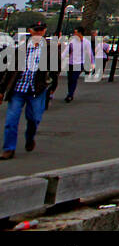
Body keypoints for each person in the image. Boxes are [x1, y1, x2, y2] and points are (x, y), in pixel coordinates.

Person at [1, 21, 59, 159]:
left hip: (37, 91)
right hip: (18, 90)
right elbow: (9, 71)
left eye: (41, 30)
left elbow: (54, 72)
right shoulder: (21, 48)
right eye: (36, 30)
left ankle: (30, 137)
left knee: (34, 119)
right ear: (30, 31)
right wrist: (2, 89)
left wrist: (52, 88)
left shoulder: (50, 50)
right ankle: (9, 149)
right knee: (10, 121)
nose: (39, 32)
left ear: (44, 31)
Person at [63, 26, 94, 102]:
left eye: (75, 32)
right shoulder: (72, 41)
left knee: (74, 78)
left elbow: (90, 53)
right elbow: (66, 51)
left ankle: (70, 94)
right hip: (70, 63)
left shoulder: (86, 42)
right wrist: (60, 58)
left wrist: (92, 63)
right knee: (70, 79)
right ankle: (70, 92)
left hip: (79, 63)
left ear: (80, 33)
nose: (74, 34)